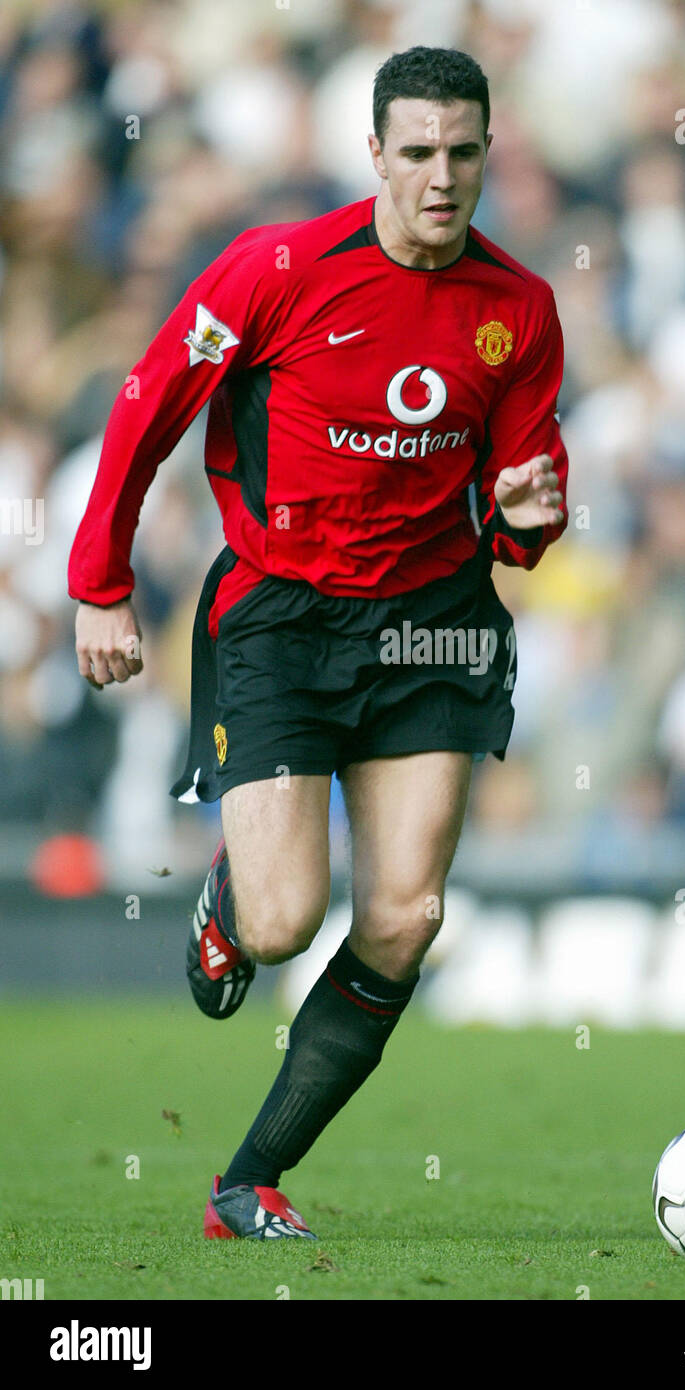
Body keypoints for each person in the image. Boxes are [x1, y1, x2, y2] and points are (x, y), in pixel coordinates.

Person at [69, 46, 569, 1241]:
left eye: (460, 153)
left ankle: (244, 1182)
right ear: (375, 155)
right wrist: (98, 582)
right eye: (416, 154)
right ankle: (229, 902)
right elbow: (146, 406)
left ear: (487, 152)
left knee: (405, 915)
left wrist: (532, 518)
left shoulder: (519, 310)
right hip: (283, 618)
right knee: (286, 920)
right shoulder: (277, 269)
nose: (439, 179)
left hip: (433, 628)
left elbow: (520, 500)